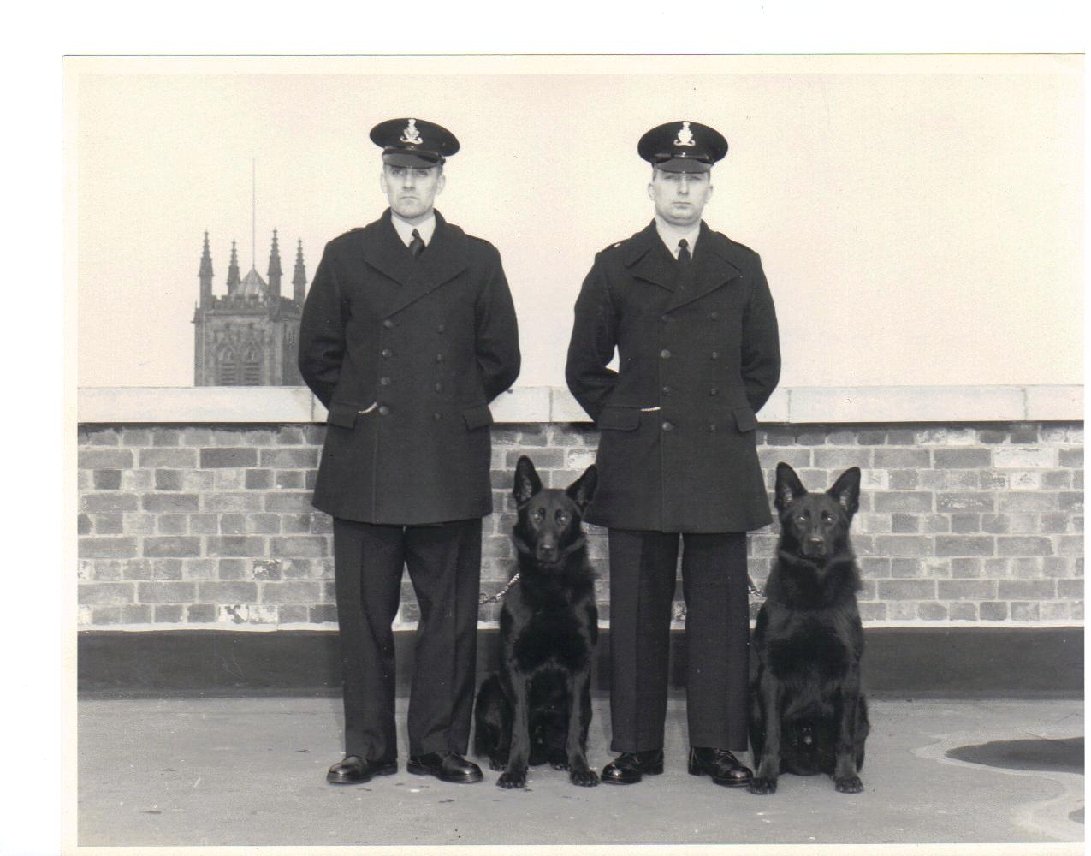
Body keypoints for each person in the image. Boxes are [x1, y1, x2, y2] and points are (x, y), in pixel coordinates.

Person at [299, 117, 520, 786]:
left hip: (444, 458)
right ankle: (367, 747)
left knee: (448, 615)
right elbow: (317, 354)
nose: (409, 183)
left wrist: (447, 407)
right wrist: (364, 407)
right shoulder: (345, 254)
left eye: (421, 173)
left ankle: (437, 745)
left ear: (440, 180)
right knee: (364, 615)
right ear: (384, 177)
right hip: (365, 456)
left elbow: (499, 357)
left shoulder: (477, 258)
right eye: (398, 171)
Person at [565, 120, 780, 788]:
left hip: (717, 458)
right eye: (670, 178)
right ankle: (635, 746)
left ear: (709, 187)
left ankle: (715, 746)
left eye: (694, 179)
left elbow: (761, 365)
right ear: (650, 184)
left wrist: (721, 416)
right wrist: (627, 422)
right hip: (640, 461)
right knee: (635, 607)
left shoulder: (741, 265)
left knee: (718, 611)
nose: (681, 190)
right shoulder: (615, 265)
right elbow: (584, 367)